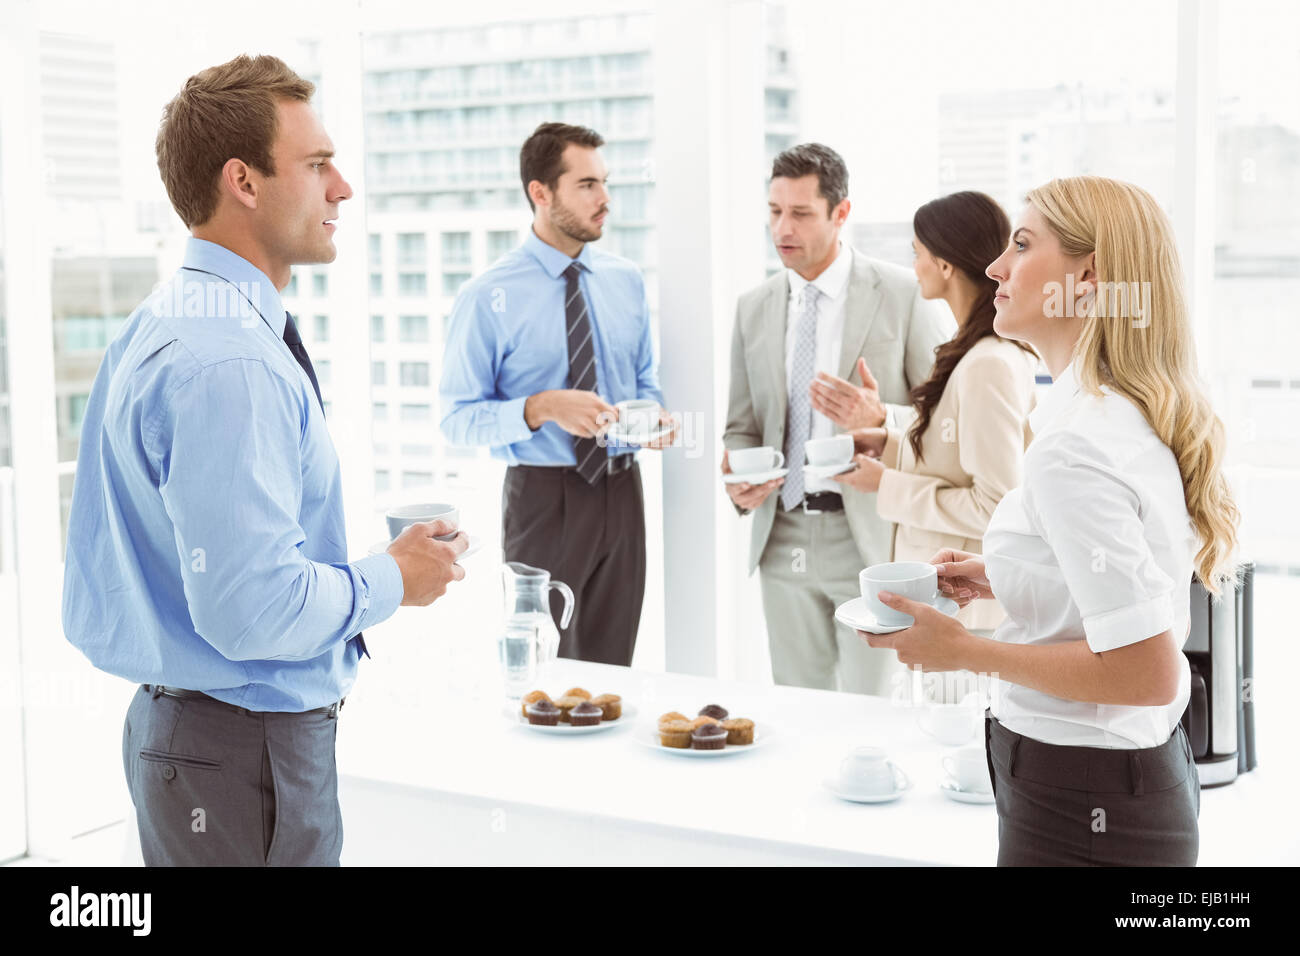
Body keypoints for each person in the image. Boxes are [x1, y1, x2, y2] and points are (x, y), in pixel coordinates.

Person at [61, 55, 467, 867]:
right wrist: (393, 578)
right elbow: (250, 608)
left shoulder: (171, 318)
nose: (342, 188)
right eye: (317, 165)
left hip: (199, 741)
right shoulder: (231, 363)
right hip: (243, 755)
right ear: (243, 180)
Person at [862, 176, 1240, 866]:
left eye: (1023, 244)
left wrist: (965, 651)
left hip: (1081, 795)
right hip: (1112, 782)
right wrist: (1005, 573)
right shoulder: (1110, 412)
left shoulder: (1076, 445)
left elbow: (1145, 671)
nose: (997, 267)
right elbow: (1121, 585)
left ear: (1087, 276)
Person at [722, 143, 952, 695]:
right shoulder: (753, 306)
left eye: (800, 213)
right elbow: (741, 424)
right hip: (782, 534)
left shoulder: (903, 294)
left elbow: (946, 418)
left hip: (870, 538)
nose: (783, 227)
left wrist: (882, 417)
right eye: (774, 211)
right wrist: (738, 478)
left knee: (872, 709)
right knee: (798, 704)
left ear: (840, 213)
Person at [440, 122, 672, 666]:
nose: (606, 199)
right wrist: (540, 407)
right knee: (543, 671)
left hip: (623, 490)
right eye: (587, 184)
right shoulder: (487, 295)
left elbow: (645, 382)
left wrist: (656, 419)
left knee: (614, 670)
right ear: (540, 193)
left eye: (605, 183)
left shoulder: (626, 280)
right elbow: (456, 418)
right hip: (543, 500)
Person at [832, 191, 1038, 699]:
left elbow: (996, 504)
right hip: (960, 619)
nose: (915, 264)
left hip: (972, 623)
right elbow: (957, 457)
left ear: (944, 264)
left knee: (956, 760)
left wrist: (889, 484)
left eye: (918, 251)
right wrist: (891, 444)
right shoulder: (974, 353)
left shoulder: (988, 363)